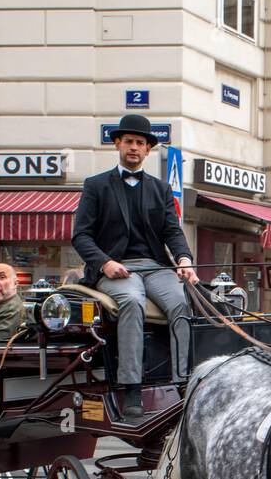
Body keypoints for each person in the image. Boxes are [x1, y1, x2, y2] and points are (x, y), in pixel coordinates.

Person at [71, 113, 200, 419]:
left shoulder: (160, 189)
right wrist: (105, 263)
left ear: (147, 149)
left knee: (183, 302)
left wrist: (184, 260)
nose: (133, 147)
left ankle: (184, 382)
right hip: (116, 268)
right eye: (128, 141)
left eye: (140, 143)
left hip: (154, 266)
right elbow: (81, 235)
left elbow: (172, 231)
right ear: (117, 144)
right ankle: (131, 386)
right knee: (131, 301)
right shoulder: (96, 185)